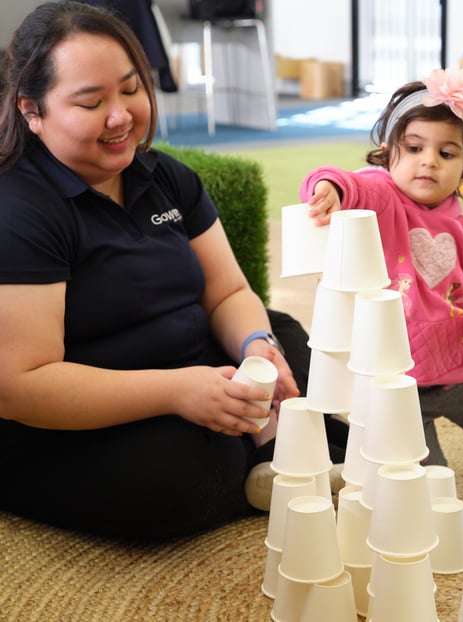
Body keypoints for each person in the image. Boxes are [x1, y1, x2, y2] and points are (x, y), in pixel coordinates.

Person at [0, 1, 312, 540]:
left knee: (292, 343)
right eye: (91, 102)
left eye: (130, 89)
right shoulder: (21, 209)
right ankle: (279, 443)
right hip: (80, 409)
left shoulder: (165, 175)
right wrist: (176, 392)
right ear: (32, 110)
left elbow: (228, 291)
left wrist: (257, 347)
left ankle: (269, 440)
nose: (121, 115)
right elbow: (22, 385)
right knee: (170, 482)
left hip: (189, 365)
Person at [300, 68, 463, 467]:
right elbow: (348, 182)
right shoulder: (383, 196)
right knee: (426, 485)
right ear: (389, 153)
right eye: (415, 148)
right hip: (399, 385)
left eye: (446, 153)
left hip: (458, 371)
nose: (429, 163)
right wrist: (330, 189)